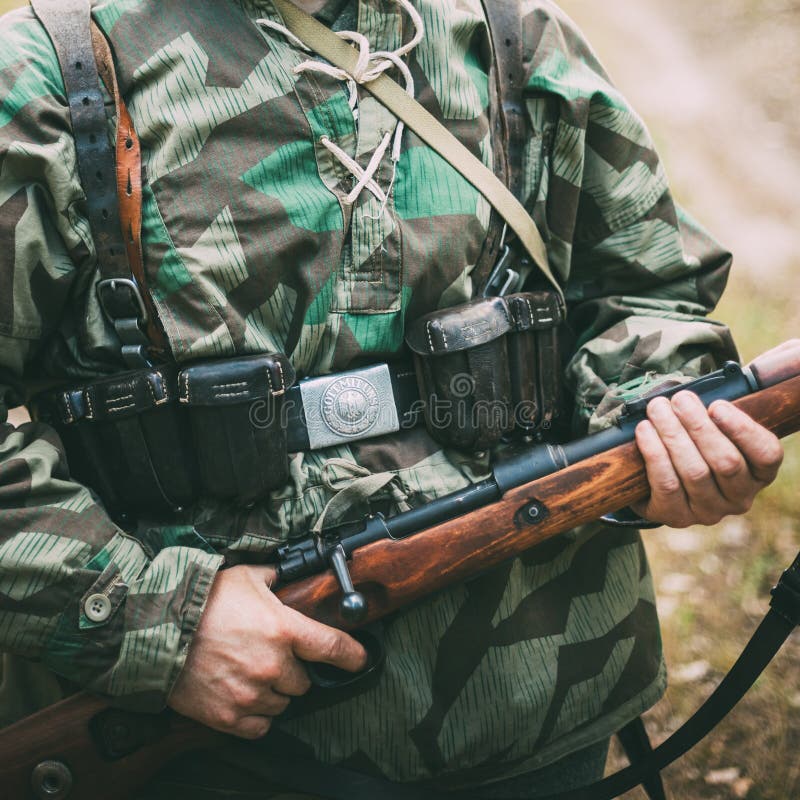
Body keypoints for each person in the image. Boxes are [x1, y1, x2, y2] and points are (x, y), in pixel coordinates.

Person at [0, 0, 783, 797]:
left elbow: (642, 292)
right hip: (210, 748)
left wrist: (663, 415)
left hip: (545, 702)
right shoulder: (52, 76)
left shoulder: (511, 35)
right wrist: (154, 622)